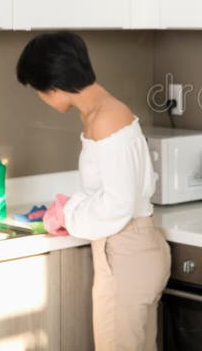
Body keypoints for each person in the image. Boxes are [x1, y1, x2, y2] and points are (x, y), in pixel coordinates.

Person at [16, 31, 169, 351]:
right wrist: (69, 208)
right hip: (134, 249)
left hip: (125, 252)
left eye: (38, 90)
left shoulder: (106, 119)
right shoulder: (102, 112)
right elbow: (117, 190)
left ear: (54, 85)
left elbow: (118, 204)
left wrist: (67, 214)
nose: (41, 97)